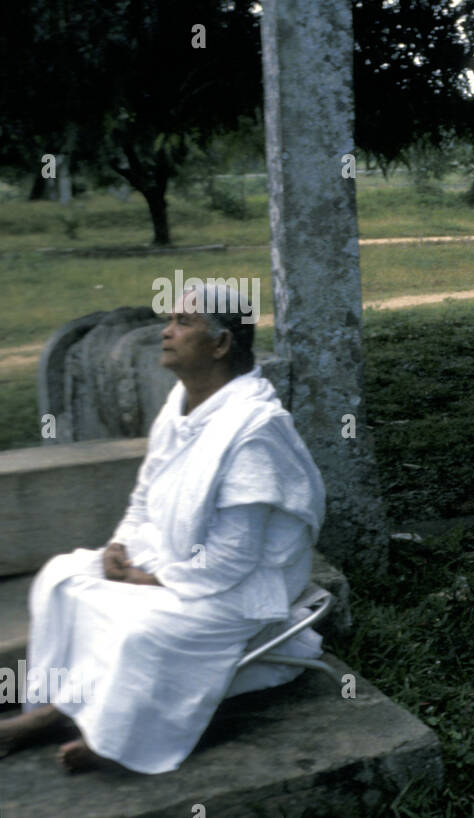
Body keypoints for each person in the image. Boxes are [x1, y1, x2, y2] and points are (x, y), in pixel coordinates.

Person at [0, 283, 326, 773]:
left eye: (182, 323)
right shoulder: (180, 402)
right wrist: (119, 544)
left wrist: (152, 580)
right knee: (62, 579)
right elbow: (145, 493)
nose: (166, 332)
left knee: (141, 630)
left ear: (219, 345)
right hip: (165, 555)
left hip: (238, 586)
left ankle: (107, 732)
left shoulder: (254, 429)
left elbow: (235, 557)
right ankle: (75, 711)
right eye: (169, 320)